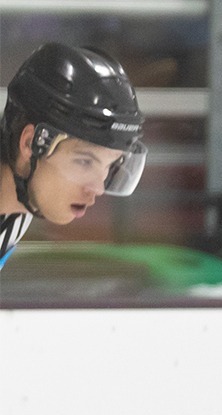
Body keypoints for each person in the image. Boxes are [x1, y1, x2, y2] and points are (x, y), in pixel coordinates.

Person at [1, 44, 145, 274]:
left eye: (110, 166)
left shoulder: (15, 214)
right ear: (30, 143)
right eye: (84, 161)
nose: (97, 188)